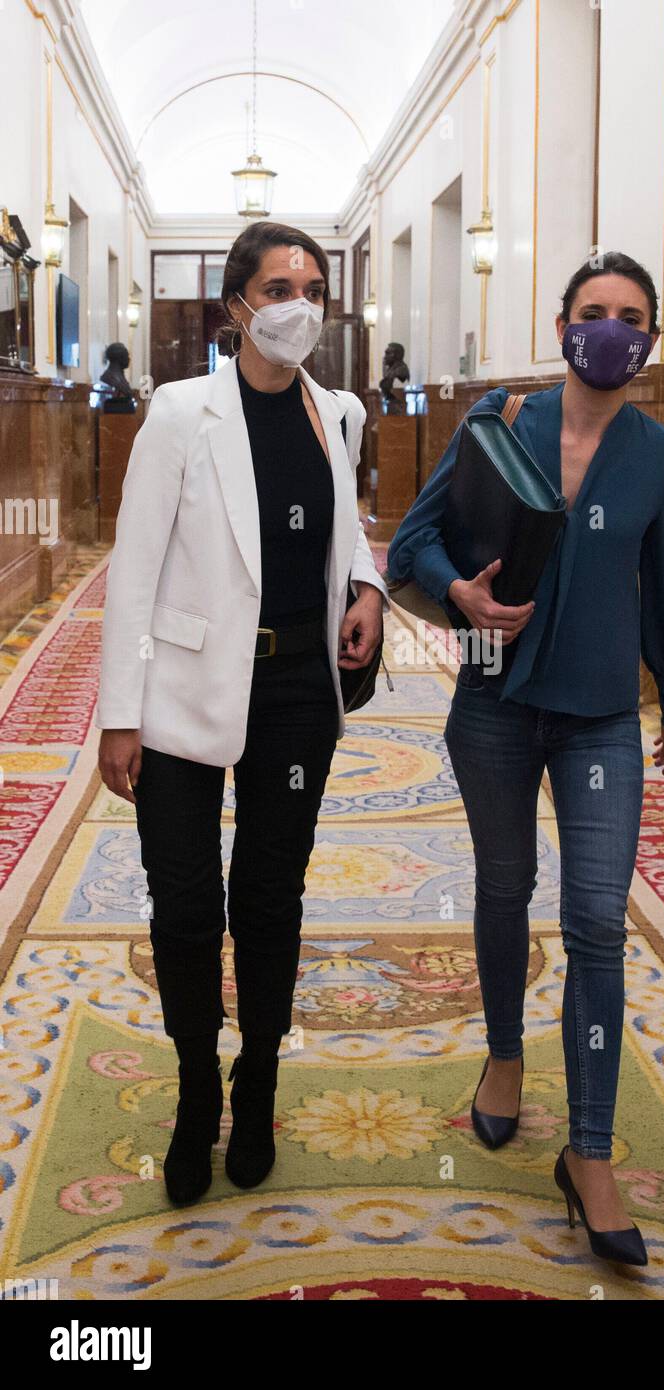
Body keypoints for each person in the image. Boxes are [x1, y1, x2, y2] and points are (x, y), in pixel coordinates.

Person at [387, 251, 664, 1266]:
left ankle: (593, 1151)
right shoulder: (500, 424)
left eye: (632, 316)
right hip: (492, 704)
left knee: (598, 920)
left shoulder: (662, 455)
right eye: (594, 312)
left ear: (652, 338)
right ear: (561, 322)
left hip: (602, 716)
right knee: (503, 888)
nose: (611, 329)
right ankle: (506, 1059)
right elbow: (411, 547)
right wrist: (462, 596)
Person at [95, 221, 389, 1206]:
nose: (295, 304)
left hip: (300, 691)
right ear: (237, 307)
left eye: (310, 286)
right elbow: (132, 571)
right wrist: (118, 713)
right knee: (184, 906)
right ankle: (191, 1092)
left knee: (270, 900)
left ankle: (255, 1081)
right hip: (181, 690)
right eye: (275, 288)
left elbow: (352, 535)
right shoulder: (180, 415)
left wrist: (366, 589)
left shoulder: (337, 414)